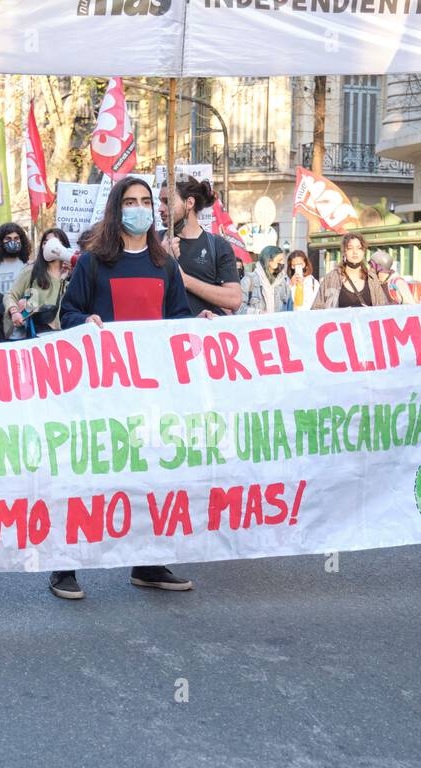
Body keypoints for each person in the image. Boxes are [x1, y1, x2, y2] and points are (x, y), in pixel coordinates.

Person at [55, 176, 198, 601]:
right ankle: (64, 567)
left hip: (151, 393)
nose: (139, 207)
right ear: (118, 208)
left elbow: (178, 319)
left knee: (150, 477)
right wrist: (87, 323)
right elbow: (69, 314)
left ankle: (147, 563)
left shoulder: (165, 264)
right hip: (103, 391)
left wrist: (201, 328)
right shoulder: (93, 262)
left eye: (146, 201)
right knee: (90, 479)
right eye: (131, 201)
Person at [160, 175, 242, 317]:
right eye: (160, 202)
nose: (160, 208)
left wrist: (185, 280)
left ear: (189, 203)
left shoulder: (217, 245)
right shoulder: (156, 241)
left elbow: (234, 299)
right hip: (168, 336)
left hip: (206, 337)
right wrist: (161, 260)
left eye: (167, 202)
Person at [4, 227, 72, 337]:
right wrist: (14, 312)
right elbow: (10, 295)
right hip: (37, 336)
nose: (49, 246)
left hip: (62, 337)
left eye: (54, 243)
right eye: (45, 242)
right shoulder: (32, 271)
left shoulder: (69, 275)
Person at [311, 232, 387, 309]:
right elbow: (316, 309)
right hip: (339, 321)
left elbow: (384, 309)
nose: (355, 252)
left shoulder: (372, 279)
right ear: (344, 252)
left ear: (363, 252)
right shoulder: (332, 278)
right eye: (350, 248)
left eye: (359, 248)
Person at [0, 222, 31, 313]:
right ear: (0, 242)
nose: (12, 241)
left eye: (16, 238)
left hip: (22, 316)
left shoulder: (28, 266)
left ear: (22, 241)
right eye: (8, 238)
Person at [240, 245, 284, 315]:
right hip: (257, 324)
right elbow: (239, 309)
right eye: (279, 260)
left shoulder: (281, 281)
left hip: (275, 324)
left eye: (283, 260)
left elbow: (287, 305)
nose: (282, 263)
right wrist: (259, 313)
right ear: (269, 261)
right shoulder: (248, 280)